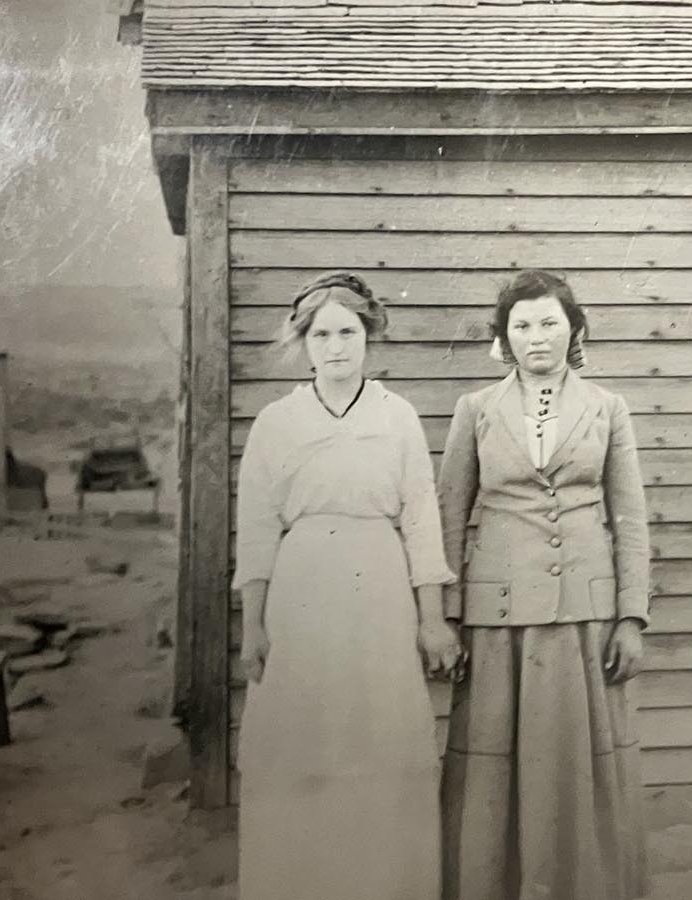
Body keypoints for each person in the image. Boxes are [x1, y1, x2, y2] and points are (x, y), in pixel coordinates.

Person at [232, 272, 464, 900]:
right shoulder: (277, 422)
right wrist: (253, 624)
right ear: (303, 343)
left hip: (379, 590)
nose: (336, 347)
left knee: (379, 735)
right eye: (322, 335)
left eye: (348, 333)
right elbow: (257, 528)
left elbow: (421, 519)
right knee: (303, 738)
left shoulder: (397, 416)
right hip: (302, 592)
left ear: (369, 337)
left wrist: (431, 618)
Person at [437, 270, 651, 900]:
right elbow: (449, 513)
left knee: (578, 762)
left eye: (550, 323)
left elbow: (630, 516)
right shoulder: (476, 410)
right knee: (493, 763)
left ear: (574, 330)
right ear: (504, 337)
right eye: (523, 325)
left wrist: (631, 617)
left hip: (584, 613)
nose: (537, 337)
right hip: (497, 616)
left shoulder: (607, 408)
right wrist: (447, 616)